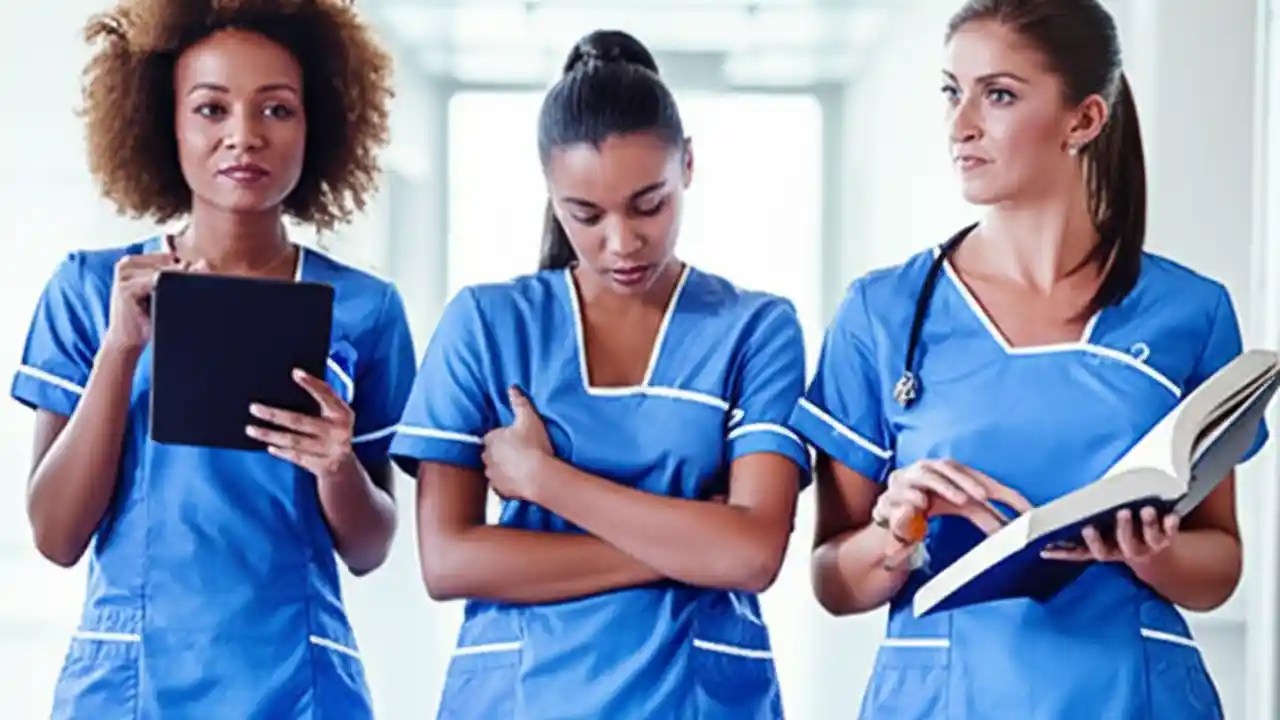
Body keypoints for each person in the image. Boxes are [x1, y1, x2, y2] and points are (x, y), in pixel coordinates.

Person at [789, 1, 1269, 718]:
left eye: (1000, 95)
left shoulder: (1189, 312)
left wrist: (1149, 553)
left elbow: (1219, 566)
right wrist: (896, 530)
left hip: (1130, 697)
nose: (961, 126)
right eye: (952, 91)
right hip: (944, 699)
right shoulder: (881, 314)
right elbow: (834, 581)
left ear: (1084, 120)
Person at [391, 29, 810, 720]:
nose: (621, 243)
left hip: (694, 698)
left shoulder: (755, 329)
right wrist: (690, 546)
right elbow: (448, 562)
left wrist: (543, 480)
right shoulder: (488, 324)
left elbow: (755, 555)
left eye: (650, 204)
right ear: (552, 195)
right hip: (522, 699)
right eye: (584, 215)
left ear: (689, 167)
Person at [12, 1, 414, 717]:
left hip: (300, 686)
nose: (243, 137)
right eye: (211, 109)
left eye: (276, 110)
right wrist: (119, 350)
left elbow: (370, 546)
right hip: (128, 688)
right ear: (162, 121)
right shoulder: (91, 291)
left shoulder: (364, 309)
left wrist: (335, 465)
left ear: (315, 123)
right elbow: (55, 535)